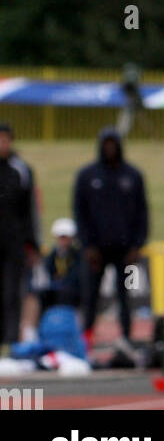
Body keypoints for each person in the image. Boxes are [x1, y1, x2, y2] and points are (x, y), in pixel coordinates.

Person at [73, 127, 149, 347]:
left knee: (128, 295)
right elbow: (80, 212)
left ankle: (127, 338)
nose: (109, 149)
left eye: (113, 144)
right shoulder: (87, 175)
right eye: (106, 144)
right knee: (90, 296)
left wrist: (137, 245)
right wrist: (87, 245)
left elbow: (142, 212)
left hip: (126, 251)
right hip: (95, 251)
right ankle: (86, 340)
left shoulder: (133, 176)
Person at [0, 122, 40, 349]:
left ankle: (11, 339)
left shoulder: (21, 170)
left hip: (13, 243)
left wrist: (32, 244)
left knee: (12, 292)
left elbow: (30, 211)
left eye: (5, 139)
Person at [40, 218, 83, 312]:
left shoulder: (78, 255)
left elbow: (77, 274)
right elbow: (48, 270)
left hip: (72, 290)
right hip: (55, 288)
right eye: (61, 238)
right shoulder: (52, 254)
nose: (63, 241)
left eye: (66, 238)